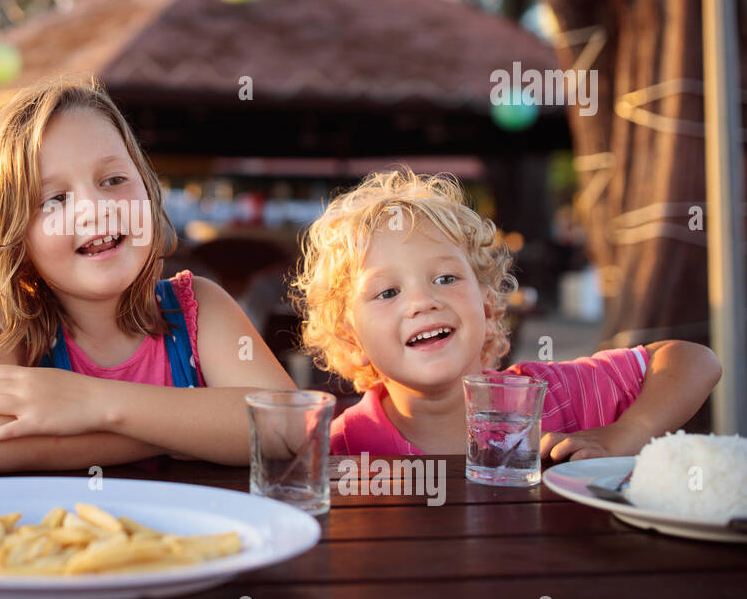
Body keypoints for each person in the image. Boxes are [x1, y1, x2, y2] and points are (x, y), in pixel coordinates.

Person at [0, 76, 294, 472]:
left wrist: (94, 403)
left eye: (113, 180)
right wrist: (177, 433)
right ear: (13, 234)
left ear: (148, 187)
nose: (95, 208)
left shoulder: (198, 307)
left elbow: (286, 425)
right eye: (55, 199)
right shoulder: (6, 317)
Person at [293, 168, 721, 459]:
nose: (422, 302)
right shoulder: (339, 448)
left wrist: (626, 434)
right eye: (387, 292)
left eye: (445, 279)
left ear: (485, 302)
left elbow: (694, 360)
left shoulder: (552, 397)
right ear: (351, 335)